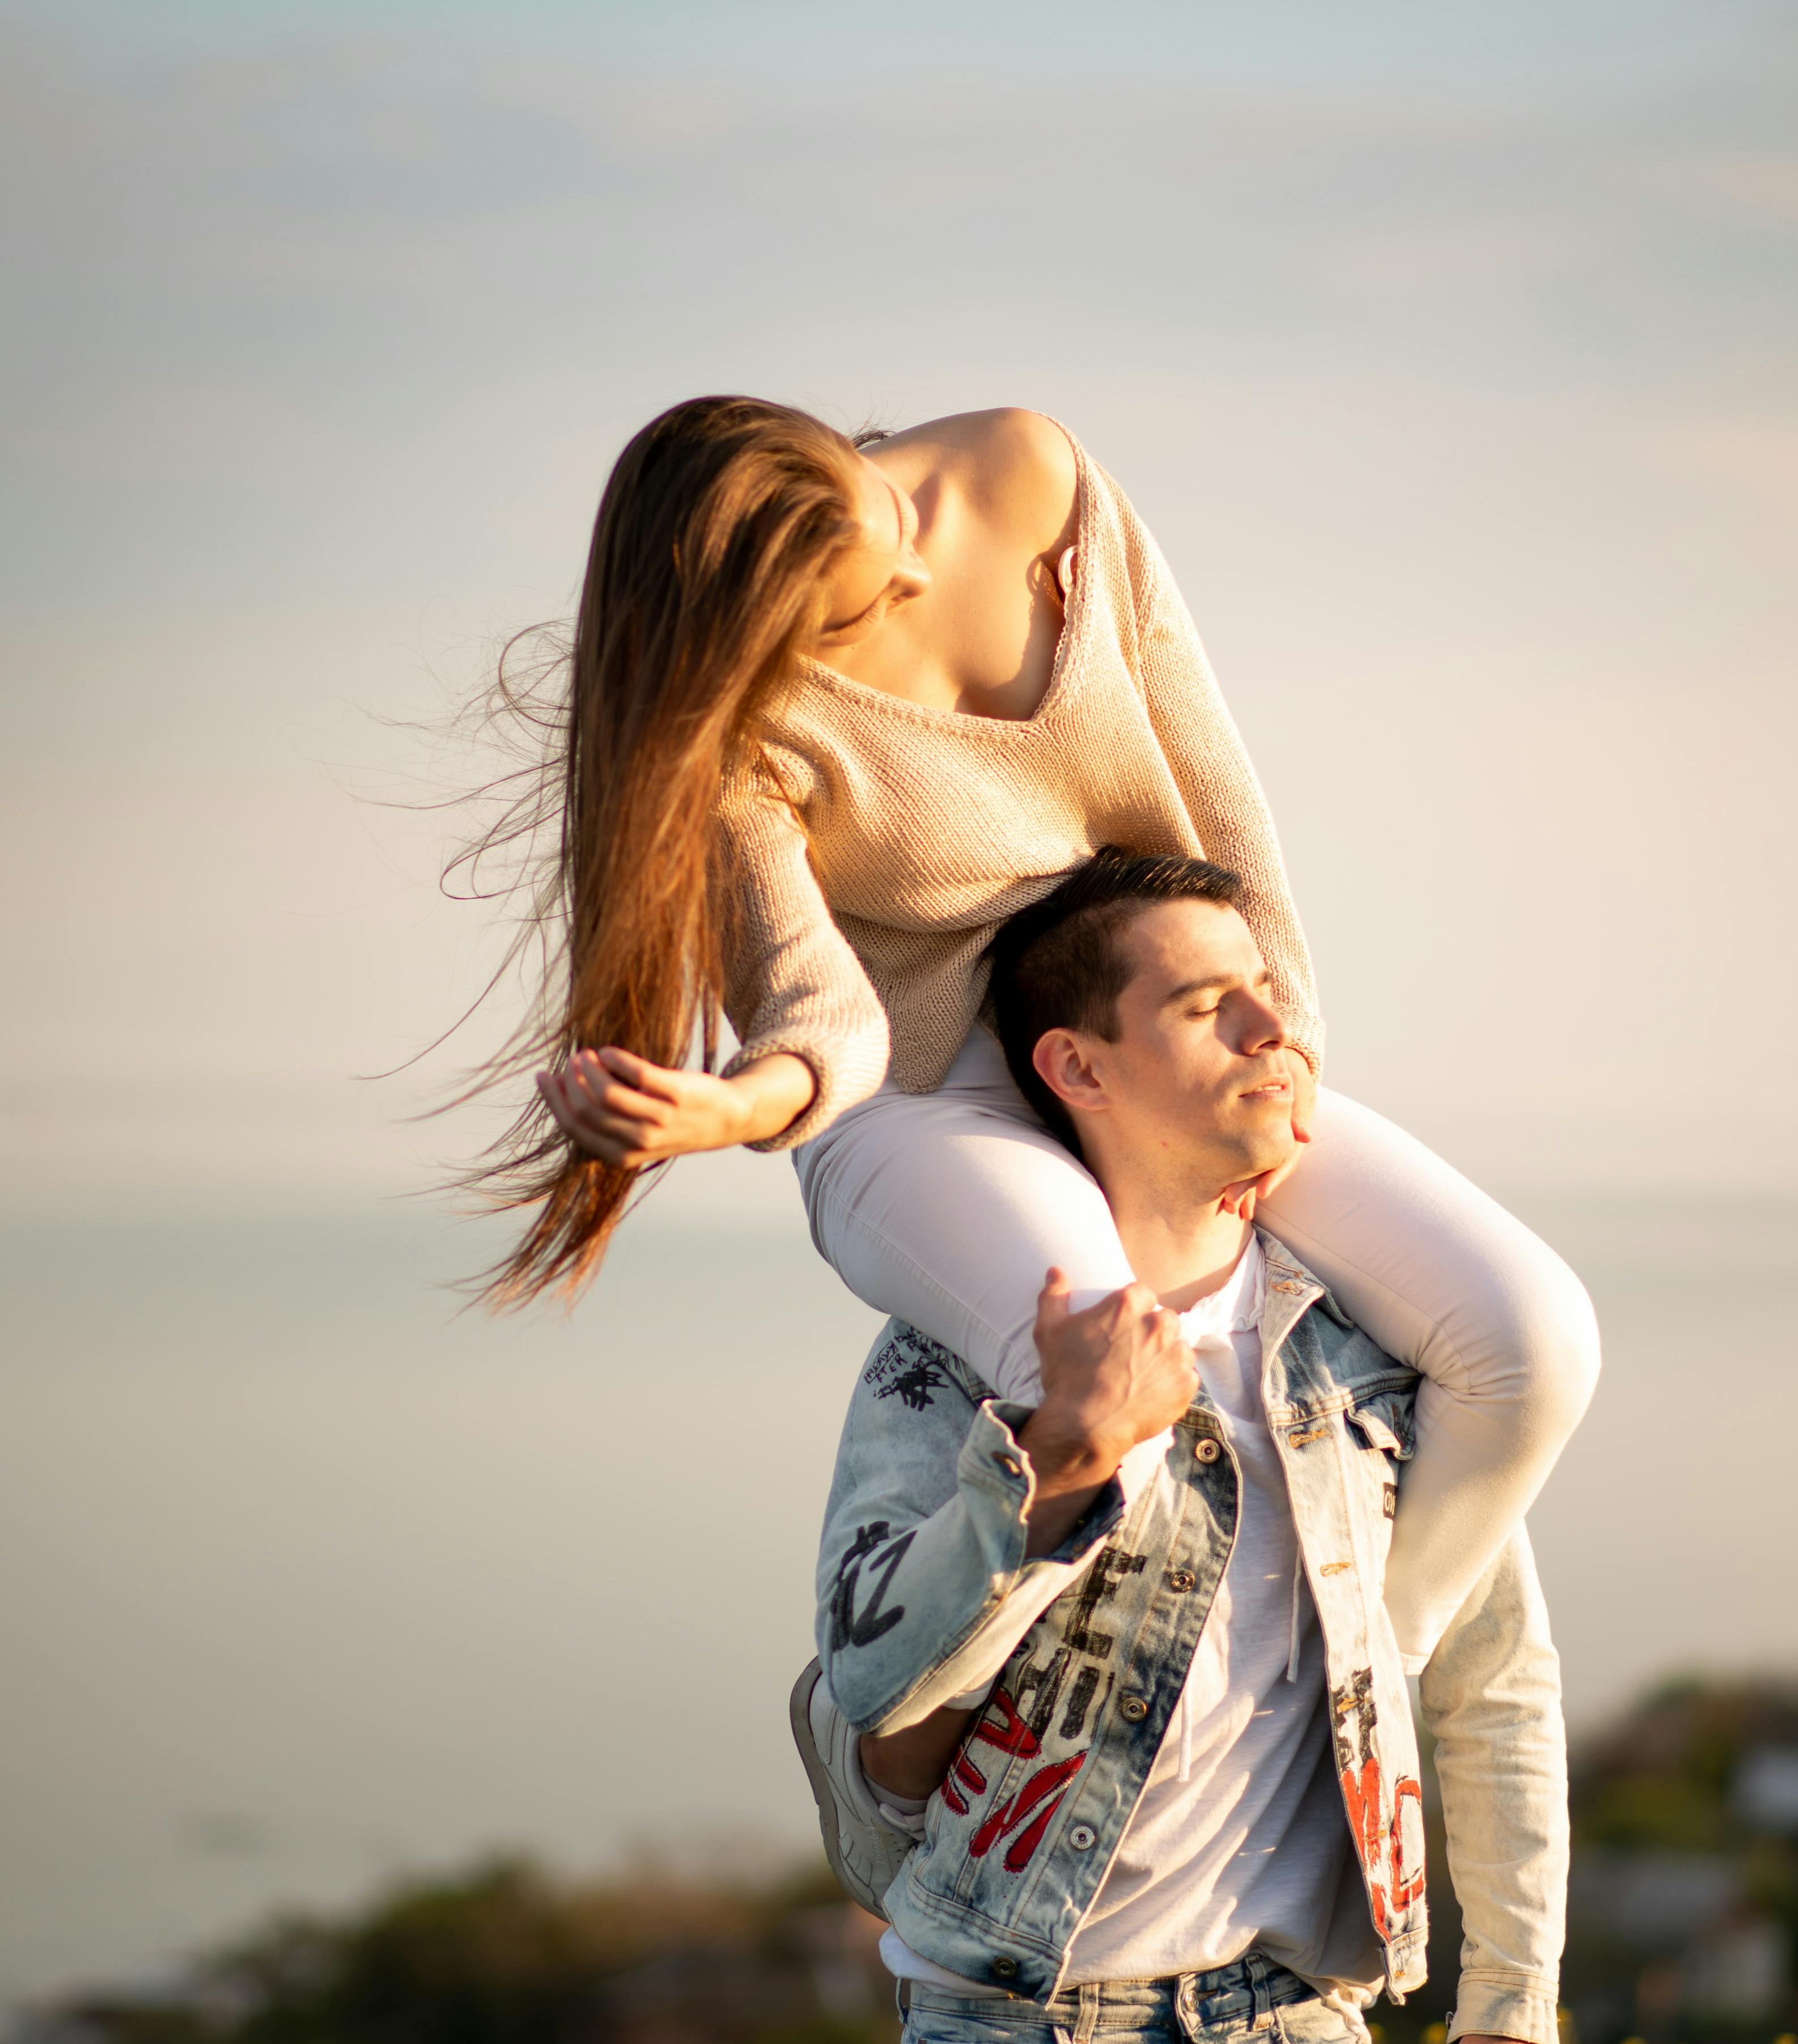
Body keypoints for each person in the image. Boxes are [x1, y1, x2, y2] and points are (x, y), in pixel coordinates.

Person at [487, 395, 1598, 1666]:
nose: (913, 567)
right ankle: (955, 1767)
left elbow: (1217, 790)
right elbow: (822, 1007)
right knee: (1113, 1373)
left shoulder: (1031, 474)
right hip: (923, 1091)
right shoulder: (737, 732)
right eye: (859, 603)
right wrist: (733, 1108)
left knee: (1529, 1337)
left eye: (886, 509)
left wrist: (1280, 1048)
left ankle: (1375, 1667)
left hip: (1152, 1037)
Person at [792, 849, 1567, 2044]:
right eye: (1210, 1004)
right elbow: (869, 1694)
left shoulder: (1370, 1356)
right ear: (1077, 1065)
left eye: (1270, 993)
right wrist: (1050, 1473)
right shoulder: (951, 1360)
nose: (1278, 1029)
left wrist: (1512, 2000)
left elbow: (1492, 1674)